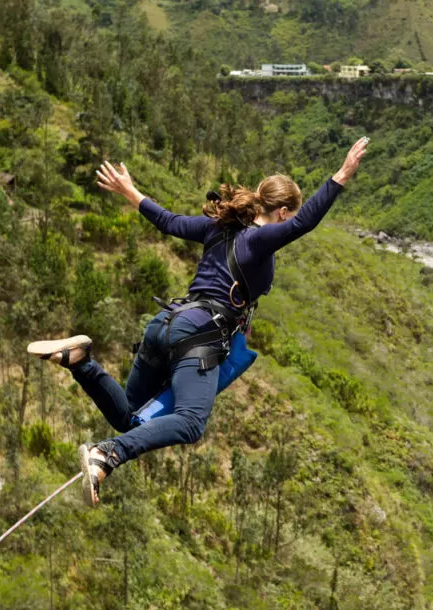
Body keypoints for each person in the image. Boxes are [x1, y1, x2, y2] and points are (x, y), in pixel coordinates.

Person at [27, 138, 369, 506]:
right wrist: (341, 176)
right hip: (198, 336)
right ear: (282, 211)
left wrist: (130, 191)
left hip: (164, 324)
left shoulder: (217, 227)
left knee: (130, 419)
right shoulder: (261, 239)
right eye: (288, 215)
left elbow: (169, 222)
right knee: (190, 423)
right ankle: (107, 455)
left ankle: (81, 362)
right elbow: (305, 223)